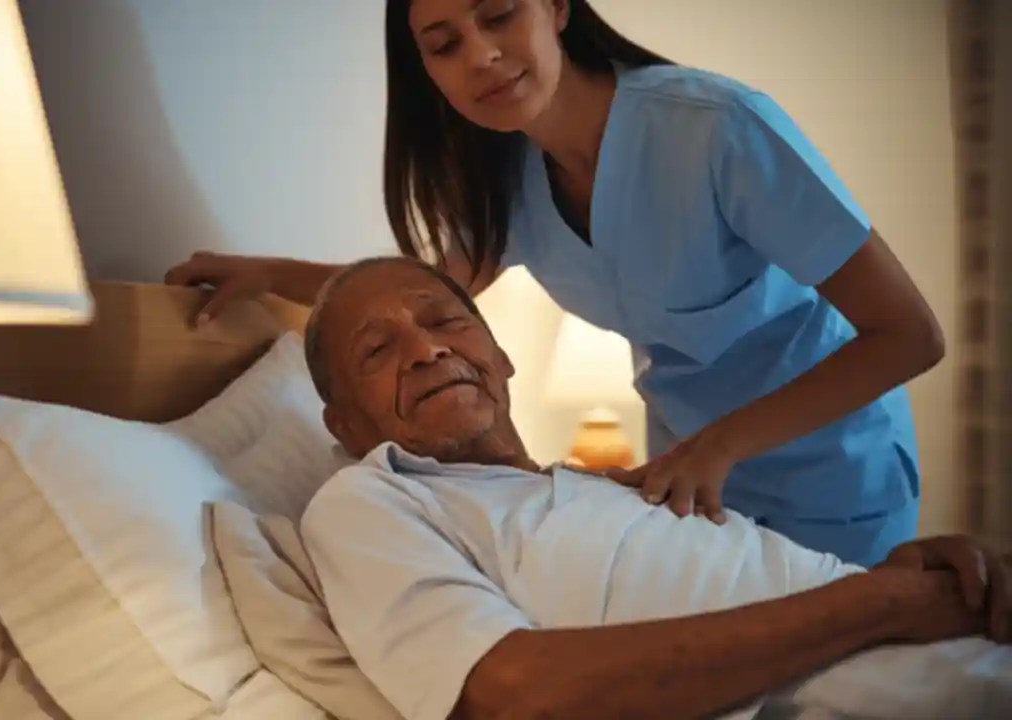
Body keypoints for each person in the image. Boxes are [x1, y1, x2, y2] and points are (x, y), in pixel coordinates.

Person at [166, 0, 944, 567]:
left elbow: (910, 335)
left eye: (498, 15)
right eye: (443, 44)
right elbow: (408, 295)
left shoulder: (715, 129)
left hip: (829, 471)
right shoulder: (502, 180)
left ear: (555, 8)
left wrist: (722, 446)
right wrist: (266, 274)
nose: (479, 56)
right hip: (687, 484)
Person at [297, 256, 1008, 720]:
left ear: (502, 355)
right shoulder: (373, 501)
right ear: (346, 424)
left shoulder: (599, 488)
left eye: (445, 319)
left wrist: (908, 579)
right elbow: (519, 696)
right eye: (376, 350)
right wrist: (879, 601)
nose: (427, 349)